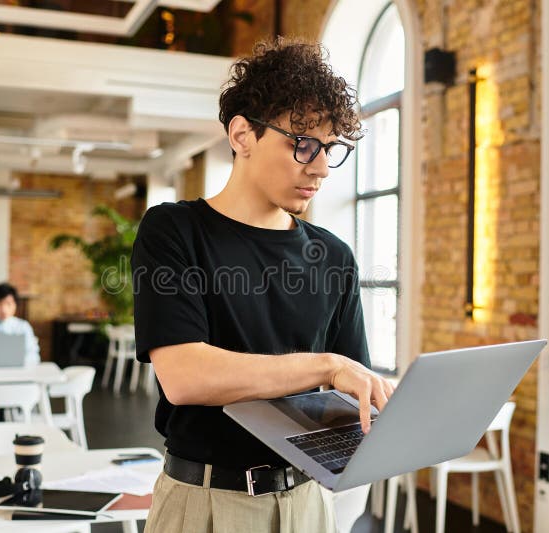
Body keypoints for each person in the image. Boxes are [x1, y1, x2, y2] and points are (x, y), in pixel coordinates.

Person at [131, 38, 395, 532]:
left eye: (330, 149)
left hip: (307, 505)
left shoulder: (334, 256)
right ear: (242, 134)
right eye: (303, 144)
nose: (319, 167)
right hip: (205, 503)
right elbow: (186, 377)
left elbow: (344, 398)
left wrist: (391, 405)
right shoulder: (175, 231)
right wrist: (329, 367)